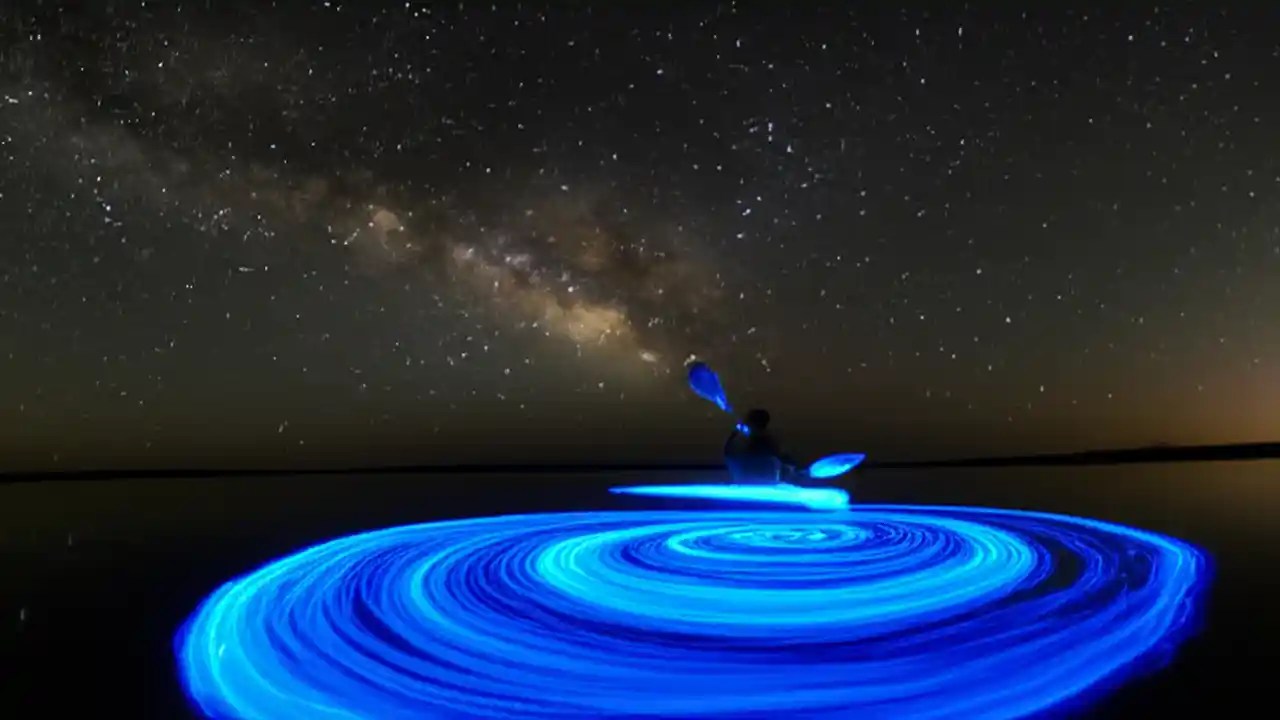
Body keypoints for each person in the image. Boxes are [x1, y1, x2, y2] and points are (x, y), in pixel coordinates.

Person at [723, 409, 799, 485]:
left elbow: (728, 455)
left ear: (749, 422)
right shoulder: (772, 442)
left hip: (745, 485)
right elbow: (788, 462)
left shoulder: (740, 443)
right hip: (766, 486)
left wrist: (735, 434)